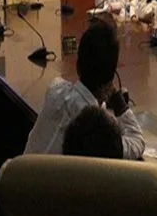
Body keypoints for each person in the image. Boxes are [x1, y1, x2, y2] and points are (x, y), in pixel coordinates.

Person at [24, 18, 145, 159]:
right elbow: (136, 140)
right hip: (56, 176)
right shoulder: (95, 128)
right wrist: (118, 101)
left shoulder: (55, 89)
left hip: (22, 171)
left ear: (77, 65)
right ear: (110, 78)